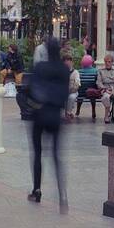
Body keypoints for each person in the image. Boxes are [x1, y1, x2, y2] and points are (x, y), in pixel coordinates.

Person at [26, 38, 70, 212]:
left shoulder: (40, 68)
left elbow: (30, 90)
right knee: (56, 155)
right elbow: (66, 94)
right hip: (55, 116)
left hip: (40, 114)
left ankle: (37, 189)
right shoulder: (64, 70)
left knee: (37, 153)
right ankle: (62, 195)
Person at [96, 52, 114, 124]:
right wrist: (105, 89)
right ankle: (106, 116)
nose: (107, 63)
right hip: (105, 89)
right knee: (106, 97)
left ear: (112, 62)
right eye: (105, 61)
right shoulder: (100, 71)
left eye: (109, 62)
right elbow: (98, 82)